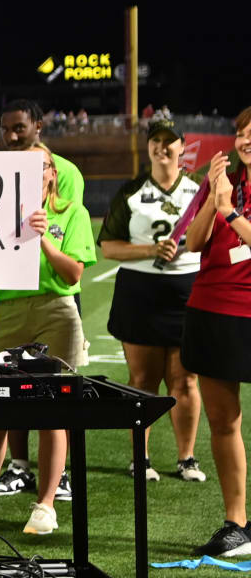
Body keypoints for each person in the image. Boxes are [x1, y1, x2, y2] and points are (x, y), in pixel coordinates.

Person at [0, 145, 95, 535]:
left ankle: (45, 504)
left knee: (54, 409)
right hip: (4, 308)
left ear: (51, 174)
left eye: (40, 166)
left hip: (54, 310)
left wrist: (41, 238)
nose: (32, 172)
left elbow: (73, 274)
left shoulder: (70, 212)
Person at [97, 119, 204, 484]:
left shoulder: (199, 191)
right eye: (155, 141)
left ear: (182, 147)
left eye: (169, 141)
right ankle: (139, 458)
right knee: (142, 380)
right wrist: (151, 249)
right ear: (148, 148)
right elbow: (109, 246)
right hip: (140, 290)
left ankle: (186, 457)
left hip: (187, 290)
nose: (162, 147)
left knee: (185, 380)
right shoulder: (130, 192)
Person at [0, 97, 85, 489]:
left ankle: (58, 474)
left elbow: (63, 219)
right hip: (11, 294)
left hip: (52, 290)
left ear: (38, 127)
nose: (13, 136)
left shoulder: (65, 172)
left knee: (56, 389)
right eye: (6, 129)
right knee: (8, 385)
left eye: (20, 128)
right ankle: (18, 465)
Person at [181, 107, 251, 558]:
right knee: (223, 421)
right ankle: (237, 524)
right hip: (212, 307)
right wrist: (212, 198)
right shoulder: (220, 181)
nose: (246, 139)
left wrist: (228, 209)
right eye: (243, 132)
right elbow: (192, 242)